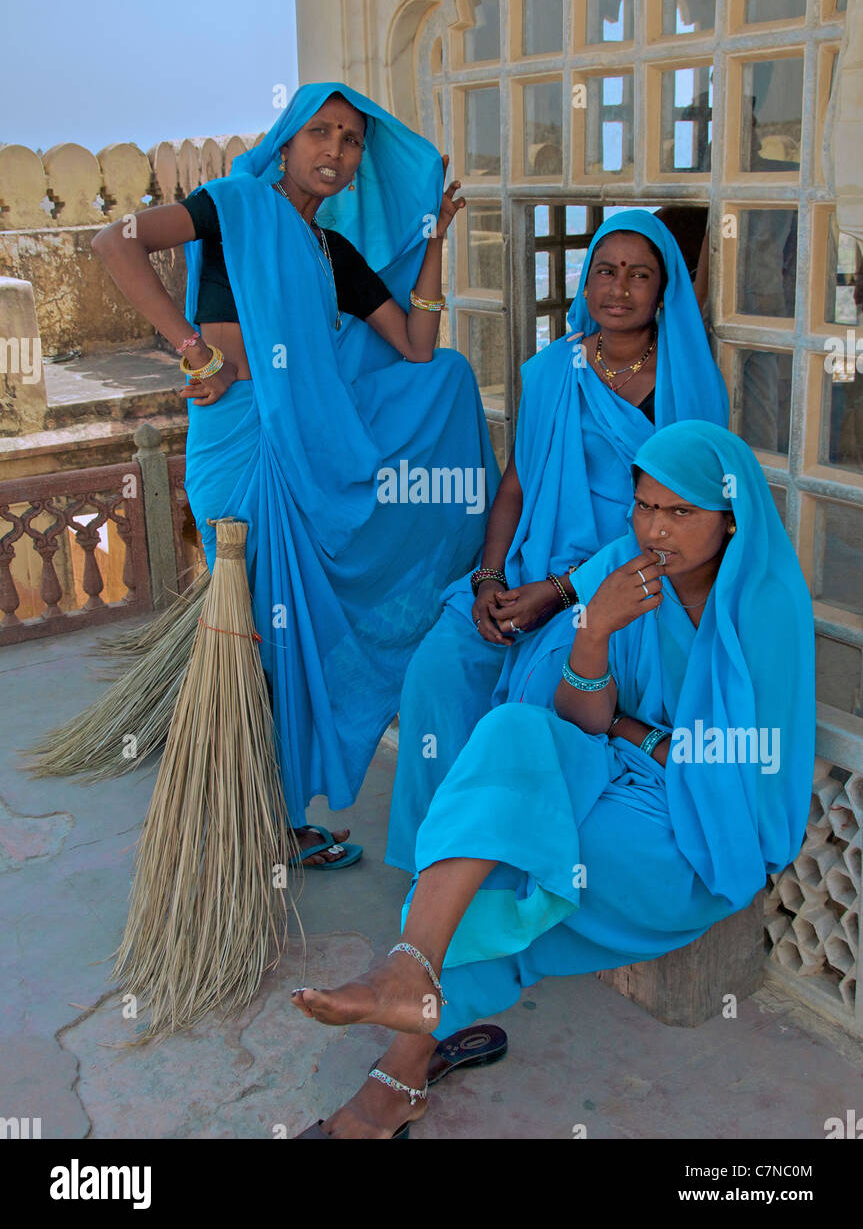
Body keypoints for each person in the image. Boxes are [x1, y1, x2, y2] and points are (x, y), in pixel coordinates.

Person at [291, 420, 815, 1138]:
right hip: (617, 768)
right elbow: (576, 718)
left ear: (728, 520)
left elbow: (732, 764)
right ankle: (409, 973)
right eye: (644, 506)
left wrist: (635, 734)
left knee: (517, 850)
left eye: (681, 512)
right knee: (509, 734)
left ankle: (396, 1072)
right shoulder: (618, 568)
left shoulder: (763, 605)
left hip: (702, 825)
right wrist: (593, 632)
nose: (655, 528)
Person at [92, 82, 499, 866]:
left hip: (307, 459)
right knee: (257, 646)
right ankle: (250, 821)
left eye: (351, 141)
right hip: (242, 448)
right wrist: (191, 348)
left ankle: (264, 819)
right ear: (286, 142)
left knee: (446, 378)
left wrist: (436, 240)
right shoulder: (233, 205)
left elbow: (416, 347)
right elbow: (116, 242)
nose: (337, 151)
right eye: (322, 132)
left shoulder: (331, 254)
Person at [386, 209, 728, 874]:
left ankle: (507, 864)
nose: (618, 289)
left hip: (627, 577)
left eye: (639, 275)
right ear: (586, 278)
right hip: (526, 567)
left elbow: (685, 522)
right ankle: (435, 859)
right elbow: (516, 483)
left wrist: (562, 590)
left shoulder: (687, 385)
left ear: (664, 291)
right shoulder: (550, 371)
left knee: (540, 690)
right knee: (439, 665)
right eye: (605, 270)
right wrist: (488, 581)